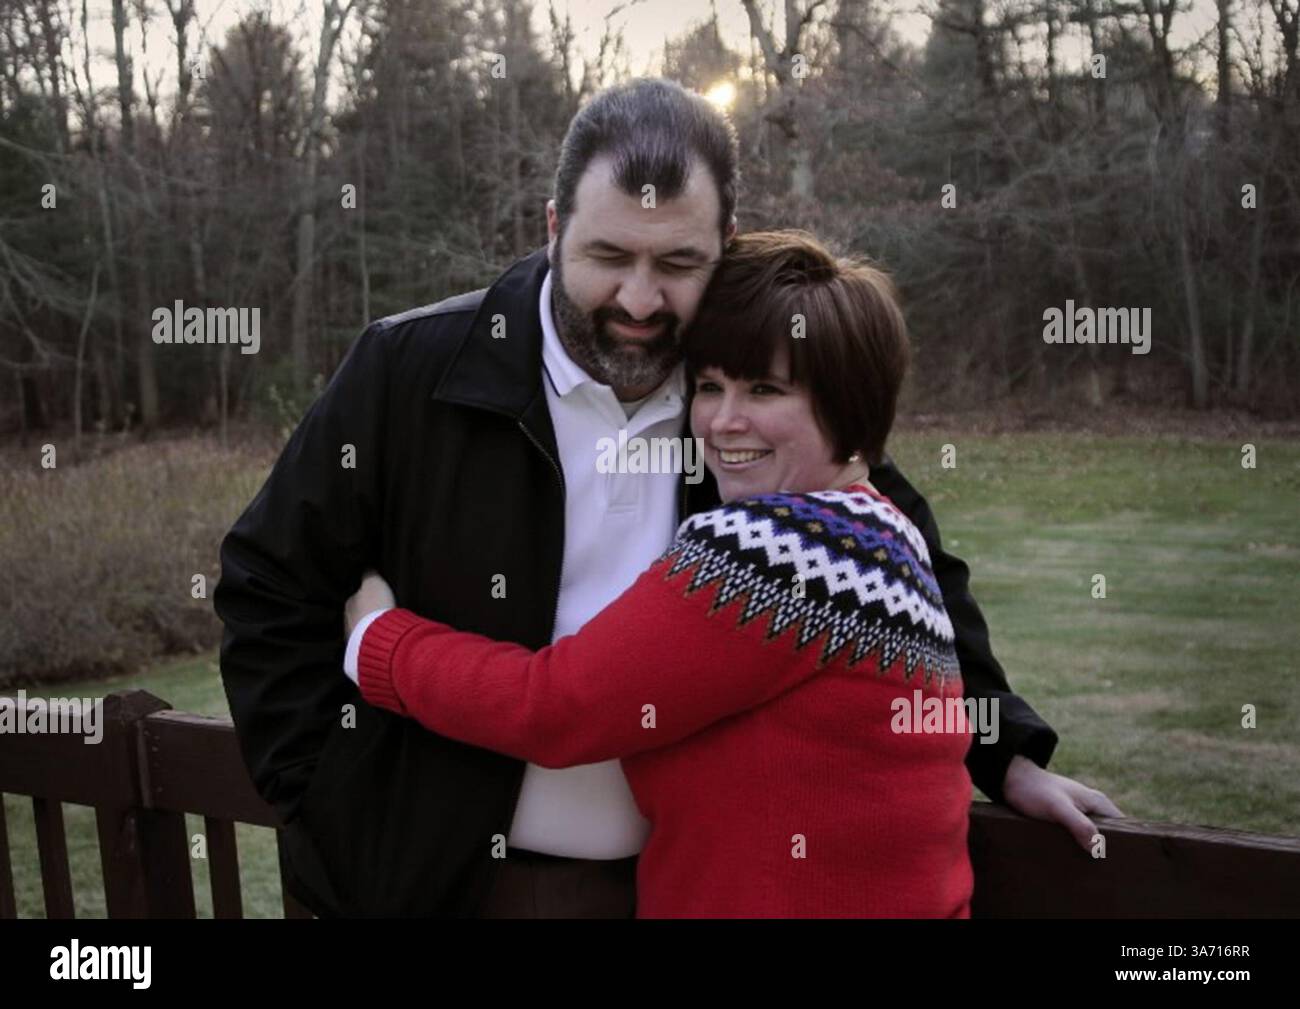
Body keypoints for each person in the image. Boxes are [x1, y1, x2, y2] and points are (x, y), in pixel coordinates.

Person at [214, 78, 1119, 919]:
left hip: (661, 890)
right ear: (552, 225)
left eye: (677, 263)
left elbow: (907, 568)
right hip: (438, 890)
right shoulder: (412, 370)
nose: (640, 299)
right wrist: (330, 803)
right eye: (608, 255)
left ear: (725, 244)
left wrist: (1004, 750)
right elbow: (267, 581)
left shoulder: (749, 387)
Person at [342, 230, 975, 917]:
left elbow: (554, 708)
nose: (723, 421)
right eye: (709, 386)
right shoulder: (886, 534)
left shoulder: (772, 553)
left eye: (765, 388)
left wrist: (377, 640)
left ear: (850, 404)